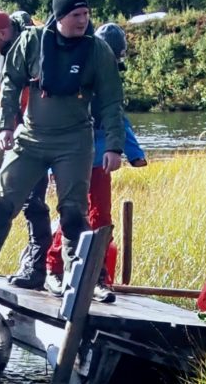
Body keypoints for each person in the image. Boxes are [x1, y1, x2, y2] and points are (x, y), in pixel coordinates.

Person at [0, 0, 125, 298]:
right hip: (31, 138)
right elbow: (10, 84)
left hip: (74, 141)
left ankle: (77, 292)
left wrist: (114, 146)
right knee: (0, 206)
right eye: (76, 15)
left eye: (86, 15)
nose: (83, 21)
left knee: (73, 214)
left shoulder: (97, 51)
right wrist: (5, 126)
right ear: (59, 17)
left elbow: (113, 101)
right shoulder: (31, 41)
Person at [44, 21, 148, 285]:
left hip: (100, 162)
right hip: (71, 159)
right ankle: (54, 268)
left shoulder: (110, 84)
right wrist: (51, 165)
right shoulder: (75, 76)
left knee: (101, 219)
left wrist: (134, 154)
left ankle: (96, 275)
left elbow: (119, 120)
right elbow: (56, 123)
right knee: (72, 215)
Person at [0, 8, 53, 288]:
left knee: (35, 203)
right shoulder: (9, 51)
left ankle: (39, 268)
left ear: (3, 33)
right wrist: (2, 132)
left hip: (41, 136)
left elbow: (28, 98)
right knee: (31, 202)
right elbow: (7, 97)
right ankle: (38, 265)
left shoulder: (32, 48)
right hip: (24, 135)